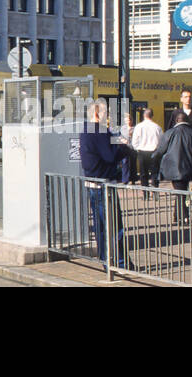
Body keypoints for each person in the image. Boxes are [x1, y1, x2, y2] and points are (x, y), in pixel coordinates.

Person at [79, 101, 129, 268]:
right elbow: (109, 155)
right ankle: (121, 263)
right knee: (115, 225)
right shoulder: (98, 131)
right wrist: (123, 147)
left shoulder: (86, 130)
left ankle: (105, 260)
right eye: (105, 113)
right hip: (104, 184)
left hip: (92, 183)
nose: (107, 117)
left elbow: (105, 147)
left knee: (100, 226)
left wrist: (115, 141)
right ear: (96, 114)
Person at [153, 110, 192, 225]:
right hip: (189, 167)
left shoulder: (170, 132)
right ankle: (179, 216)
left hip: (172, 168)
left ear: (176, 121)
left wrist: (153, 158)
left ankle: (182, 217)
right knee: (181, 191)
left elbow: (160, 150)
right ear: (187, 121)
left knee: (180, 192)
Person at [131, 109, 162, 188]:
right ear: (152, 116)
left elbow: (134, 141)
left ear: (143, 116)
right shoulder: (157, 127)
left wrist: (137, 148)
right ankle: (155, 191)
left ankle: (145, 193)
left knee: (143, 173)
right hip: (154, 152)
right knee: (155, 173)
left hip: (142, 152)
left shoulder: (138, 126)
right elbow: (161, 141)